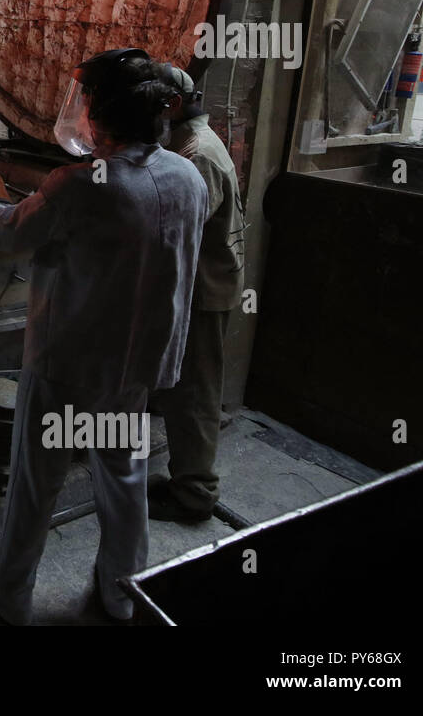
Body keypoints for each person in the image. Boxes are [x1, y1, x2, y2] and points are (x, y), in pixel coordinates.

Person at [0, 49, 207, 624]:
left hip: (69, 366)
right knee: (124, 480)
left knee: (34, 483)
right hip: (138, 366)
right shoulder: (186, 176)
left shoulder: (80, 183)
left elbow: (9, 233)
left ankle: (9, 596)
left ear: (101, 113)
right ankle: (123, 596)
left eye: (86, 102)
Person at [147, 65, 245, 522]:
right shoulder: (191, 143)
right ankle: (188, 480)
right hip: (202, 284)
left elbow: (179, 227)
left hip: (205, 291)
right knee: (187, 390)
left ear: (172, 105)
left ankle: (194, 494)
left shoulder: (198, 154)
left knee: (195, 395)